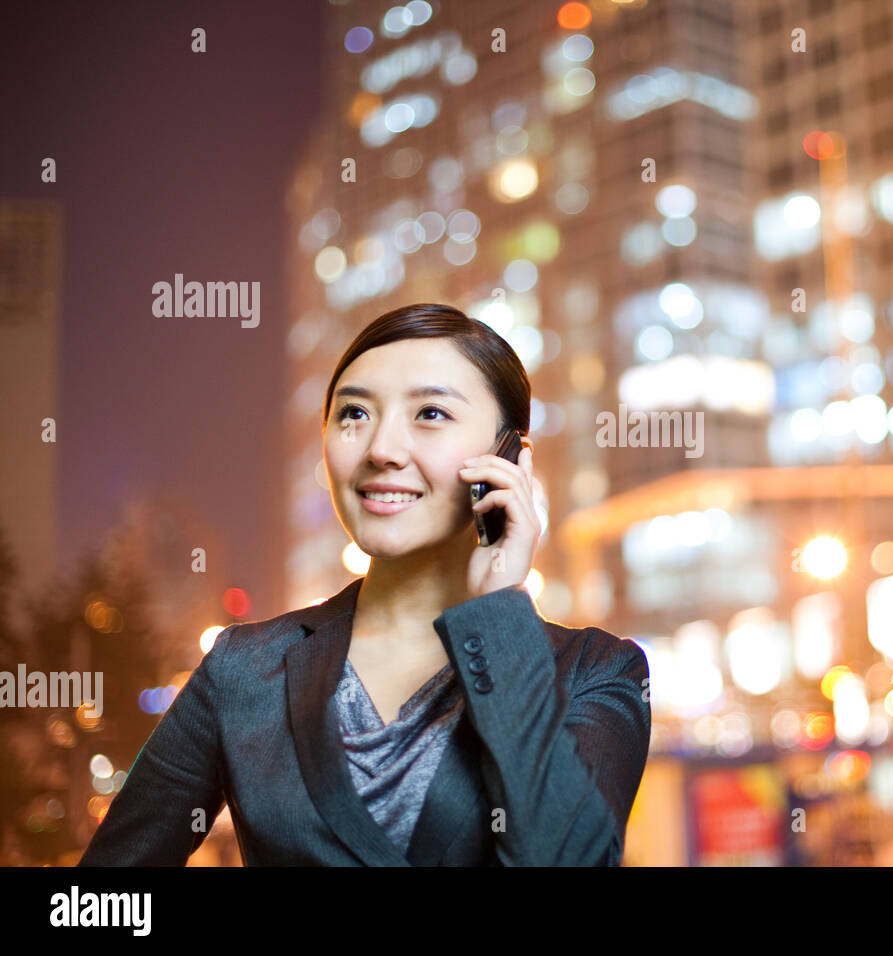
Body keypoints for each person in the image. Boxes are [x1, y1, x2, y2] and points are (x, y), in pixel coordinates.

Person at [78, 303, 652, 866]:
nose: (380, 450)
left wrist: (499, 609)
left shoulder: (595, 672)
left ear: (509, 460)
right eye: (354, 413)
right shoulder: (245, 669)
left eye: (430, 414)